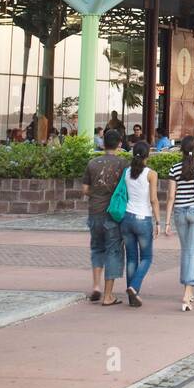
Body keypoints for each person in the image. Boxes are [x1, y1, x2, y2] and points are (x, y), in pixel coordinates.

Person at [164, 133, 194, 312]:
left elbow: (170, 197)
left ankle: (189, 290)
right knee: (193, 252)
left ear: (181, 149)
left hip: (179, 212)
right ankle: (187, 292)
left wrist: (167, 222)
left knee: (186, 251)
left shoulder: (174, 169)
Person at [81, 128, 128, 306]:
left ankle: (96, 285)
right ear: (119, 144)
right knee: (113, 251)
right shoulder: (123, 164)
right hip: (113, 213)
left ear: (103, 144)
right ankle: (108, 295)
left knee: (97, 248)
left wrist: (96, 193)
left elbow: (85, 189)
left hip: (94, 211)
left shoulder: (92, 163)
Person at [121, 140, 159, 308]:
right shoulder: (151, 174)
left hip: (127, 218)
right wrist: (158, 221)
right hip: (143, 219)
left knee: (131, 258)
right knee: (147, 257)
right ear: (147, 155)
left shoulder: (126, 172)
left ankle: (132, 297)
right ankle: (134, 287)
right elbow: (153, 199)